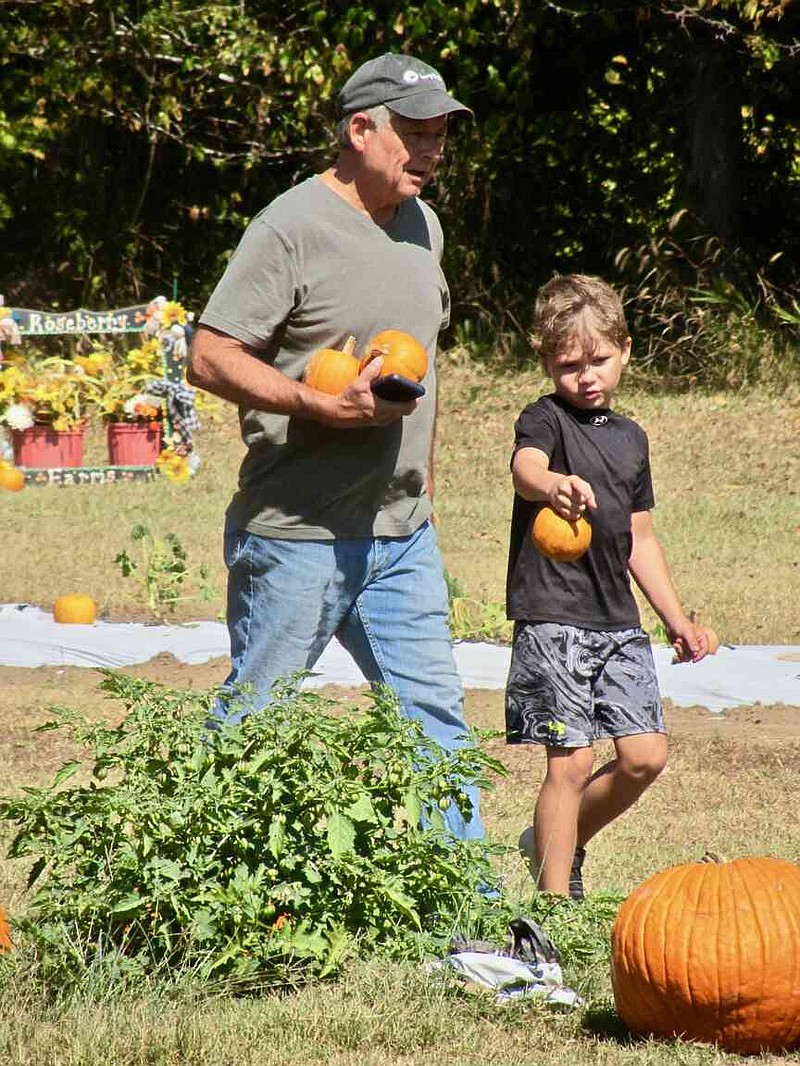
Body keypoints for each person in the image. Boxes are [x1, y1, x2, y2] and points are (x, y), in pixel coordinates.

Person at [186, 53, 484, 840]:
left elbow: (422, 371)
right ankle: (198, 886)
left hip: (402, 536)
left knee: (438, 729)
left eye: (441, 135)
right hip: (295, 535)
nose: (432, 150)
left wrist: (425, 488)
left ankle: (468, 917)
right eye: (414, 133)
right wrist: (319, 402)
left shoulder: (425, 228)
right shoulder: (289, 229)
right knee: (254, 724)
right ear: (360, 129)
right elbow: (209, 355)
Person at [505, 273, 711, 897]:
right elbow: (524, 469)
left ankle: (549, 841)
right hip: (552, 617)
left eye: (599, 360)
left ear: (624, 350)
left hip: (618, 623)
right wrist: (553, 486)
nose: (587, 376)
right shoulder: (544, 420)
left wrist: (676, 620)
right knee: (568, 764)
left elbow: (639, 538)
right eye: (570, 365)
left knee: (645, 756)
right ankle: (556, 902)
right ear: (547, 362)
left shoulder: (631, 439)